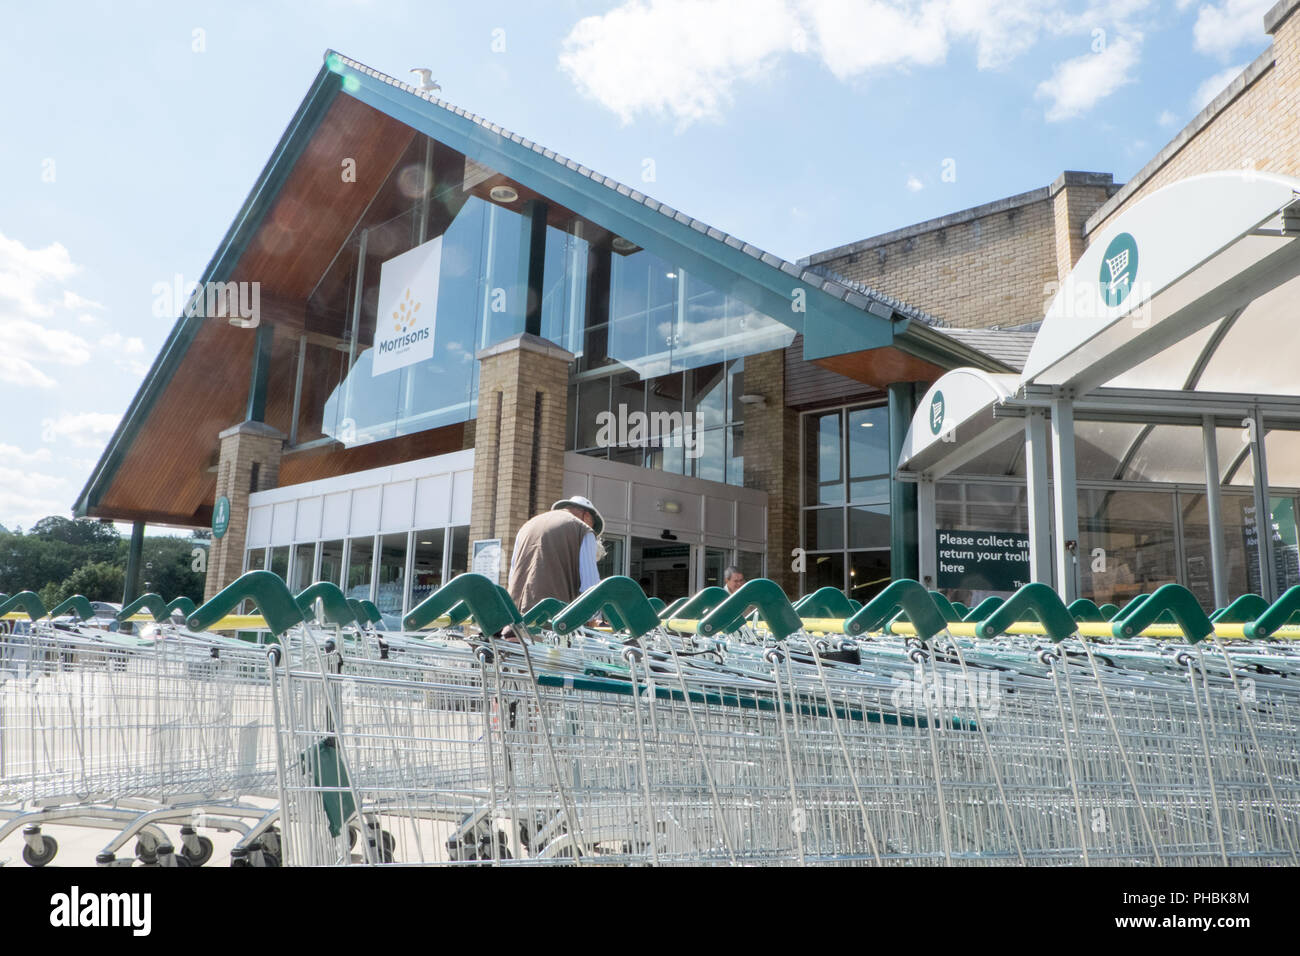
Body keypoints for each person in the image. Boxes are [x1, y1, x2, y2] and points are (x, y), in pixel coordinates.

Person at [507, 495, 604, 613]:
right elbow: (590, 587)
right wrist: (594, 616)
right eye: (592, 524)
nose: (591, 528)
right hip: (551, 617)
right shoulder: (583, 529)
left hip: (515, 615)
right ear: (587, 516)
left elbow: (513, 574)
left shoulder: (527, 526)